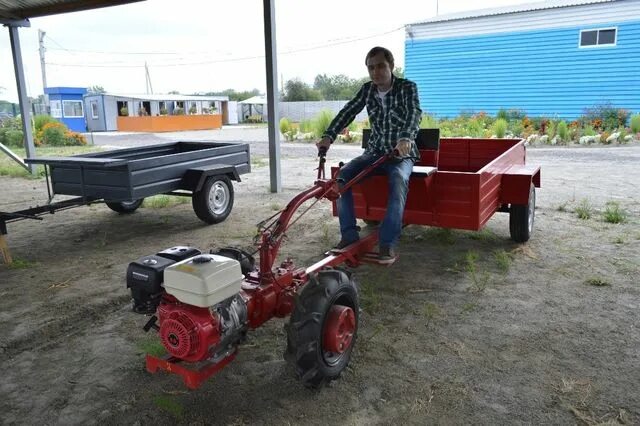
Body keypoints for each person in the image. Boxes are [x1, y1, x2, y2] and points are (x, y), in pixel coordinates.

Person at [316, 46, 422, 264]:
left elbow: (414, 113)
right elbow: (348, 111)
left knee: (399, 179)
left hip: (400, 154)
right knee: (342, 178)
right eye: (371, 68)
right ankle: (349, 236)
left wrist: (405, 138)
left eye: (381, 66)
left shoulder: (407, 87)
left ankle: (387, 243)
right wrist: (329, 135)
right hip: (374, 152)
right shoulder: (367, 90)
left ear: (391, 66)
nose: (376, 72)